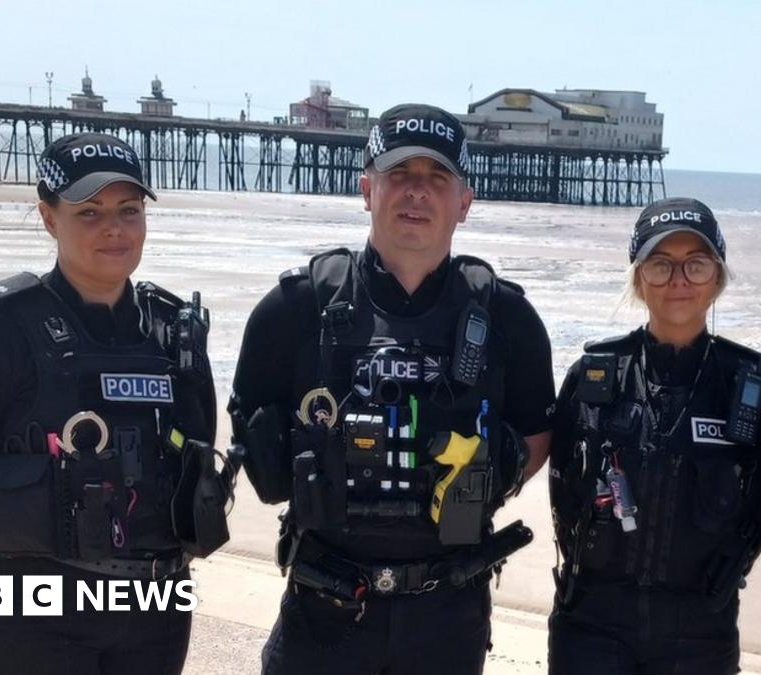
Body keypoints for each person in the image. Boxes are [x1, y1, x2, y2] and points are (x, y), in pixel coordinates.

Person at [230, 103, 556, 675]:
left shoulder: (507, 319)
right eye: (399, 175)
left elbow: (536, 434)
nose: (416, 193)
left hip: (447, 615)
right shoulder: (296, 308)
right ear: (366, 189)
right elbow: (255, 439)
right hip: (323, 609)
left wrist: (473, 489)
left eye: (437, 178)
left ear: (465, 202)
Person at [0, 132, 227, 675]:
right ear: (49, 217)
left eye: (129, 210)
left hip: (152, 618)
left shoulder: (173, 334)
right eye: (89, 211)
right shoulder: (3, 334)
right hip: (31, 622)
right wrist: (10, 563)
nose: (114, 228)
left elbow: (196, 458)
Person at [548, 197, 761, 674]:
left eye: (695, 265)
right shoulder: (594, 376)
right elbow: (561, 486)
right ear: (638, 277)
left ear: (717, 276)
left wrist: (729, 574)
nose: (678, 281)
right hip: (592, 625)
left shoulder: (746, 386)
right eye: (660, 265)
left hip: (701, 629)